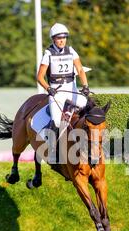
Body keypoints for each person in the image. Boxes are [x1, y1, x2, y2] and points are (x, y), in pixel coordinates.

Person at [37, 23, 90, 163]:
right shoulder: (48, 53)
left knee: (88, 106)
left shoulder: (71, 51)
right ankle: (53, 150)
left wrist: (85, 86)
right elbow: (40, 77)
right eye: (59, 38)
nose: (62, 41)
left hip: (71, 89)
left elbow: (80, 70)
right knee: (56, 121)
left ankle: (90, 141)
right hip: (57, 92)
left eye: (64, 38)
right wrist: (48, 88)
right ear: (53, 39)